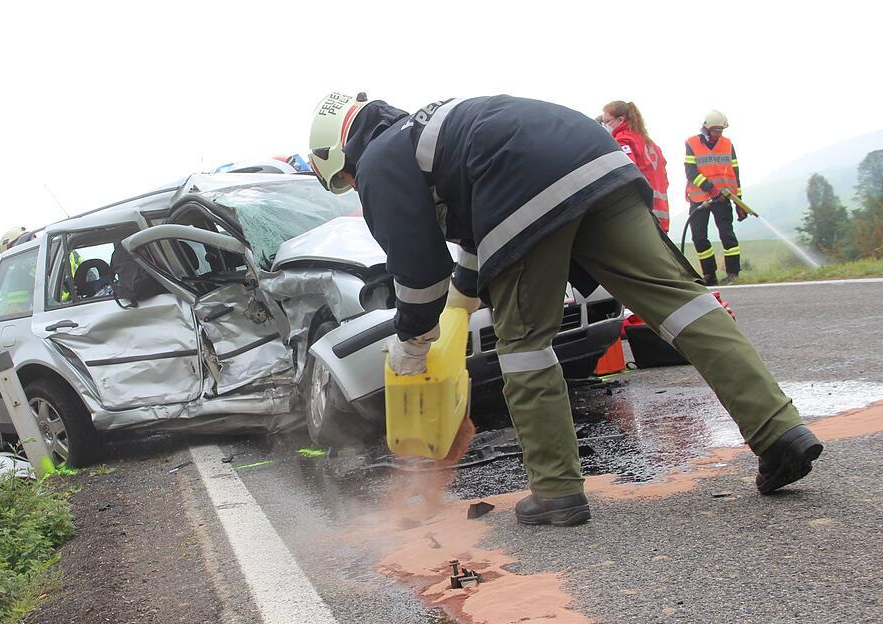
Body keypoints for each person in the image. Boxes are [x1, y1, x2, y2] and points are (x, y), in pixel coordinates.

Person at [307, 92, 823, 526]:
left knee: (524, 345)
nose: (352, 187)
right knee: (682, 304)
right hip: (597, 163)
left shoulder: (377, 158)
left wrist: (411, 343)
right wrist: (460, 306)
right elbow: (470, 242)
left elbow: (419, 273)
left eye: (342, 181)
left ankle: (556, 491)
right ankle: (779, 432)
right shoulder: (434, 130)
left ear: (337, 154)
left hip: (524, 182)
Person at [684, 110, 745, 285]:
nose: (718, 135)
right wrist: (711, 189)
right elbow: (691, 172)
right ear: (706, 128)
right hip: (699, 198)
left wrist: (739, 201)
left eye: (721, 131)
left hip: (723, 198)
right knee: (699, 237)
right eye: (716, 131)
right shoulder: (692, 143)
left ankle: (733, 272)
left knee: (727, 234)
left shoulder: (727, 144)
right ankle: (709, 275)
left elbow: (735, 174)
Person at [600, 101, 670, 232]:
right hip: (661, 210)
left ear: (620, 119)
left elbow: (626, 175)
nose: (605, 126)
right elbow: (664, 179)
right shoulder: (650, 144)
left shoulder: (623, 141)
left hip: (642, 212)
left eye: (607, 121)